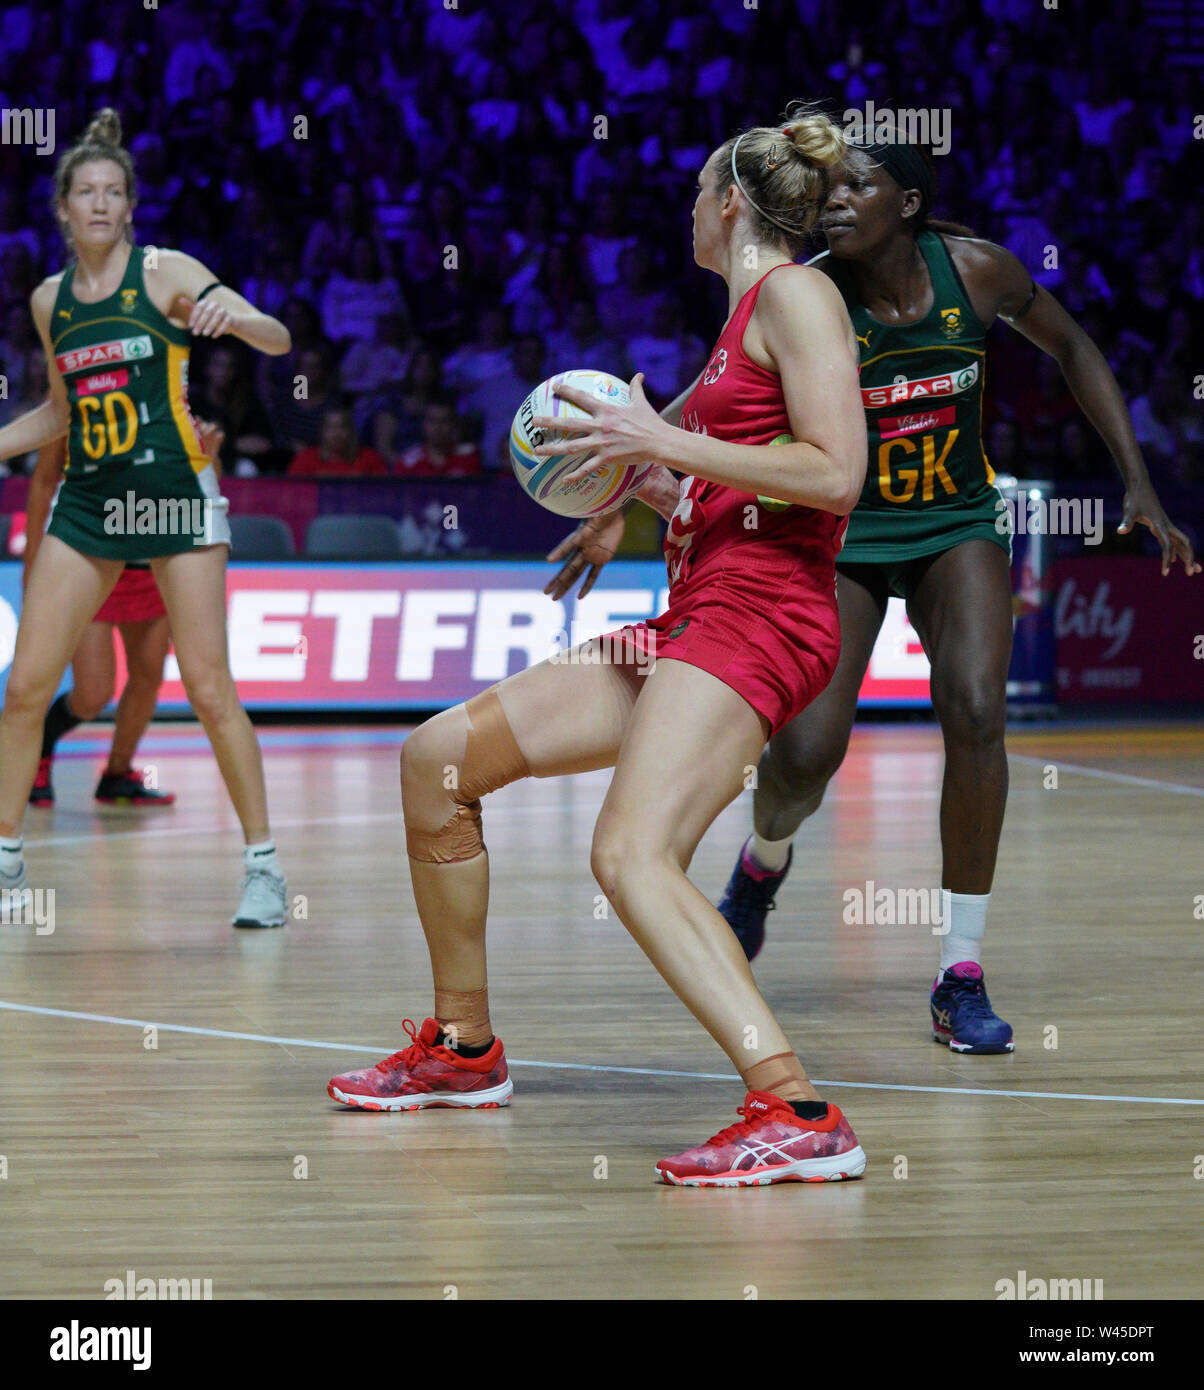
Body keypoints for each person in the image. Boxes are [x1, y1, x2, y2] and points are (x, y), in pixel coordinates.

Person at [551, 134, 1199, 1055]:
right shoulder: (806, 295)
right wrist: (619, 500)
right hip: (844, 533)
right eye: (829, 187)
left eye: (861, 185)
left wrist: (1136, 479)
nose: (836, 200)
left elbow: (1075, 345)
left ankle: (961, 972)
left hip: (955, 523)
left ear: (910, 201)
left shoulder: (977, 272)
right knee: (807, 754)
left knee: (977, 713)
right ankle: (762, 864)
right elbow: (696, 411)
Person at [328, 106, 871, 1187]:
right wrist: (648, 494)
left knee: (627, 853)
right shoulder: (736, 329)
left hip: (760, 617)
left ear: (728, 203)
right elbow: (725, 469)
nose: (684, 212)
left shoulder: (800, 295)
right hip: (699, 606)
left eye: (693, 194)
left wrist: (659, 441)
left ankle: (795, 1107)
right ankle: (464, 1050)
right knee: (436, 760)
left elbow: (834, 473)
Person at [0, 109, 294, 928]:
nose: (99, 204)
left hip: (173, 493)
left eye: (113, 192)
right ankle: (5, 862)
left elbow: (276, 336)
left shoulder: (166, 270)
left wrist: (230, 316)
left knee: (207, 687)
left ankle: (263, 869)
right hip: (89, 500)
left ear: (129, 207)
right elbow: (59, 413)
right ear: (63, 210)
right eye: (84, 193)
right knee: (26, 686)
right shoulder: (49, 300)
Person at [25, 426, 220, 807]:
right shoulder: (80, 392)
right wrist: (33, 560)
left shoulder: (173, 404)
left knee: (148, 677)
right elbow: (45, 479)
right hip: (91, 553)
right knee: (93, 693)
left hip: (153, 557)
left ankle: (118, 773)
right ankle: (41, 750)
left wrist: (208, 457)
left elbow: (204, 490)